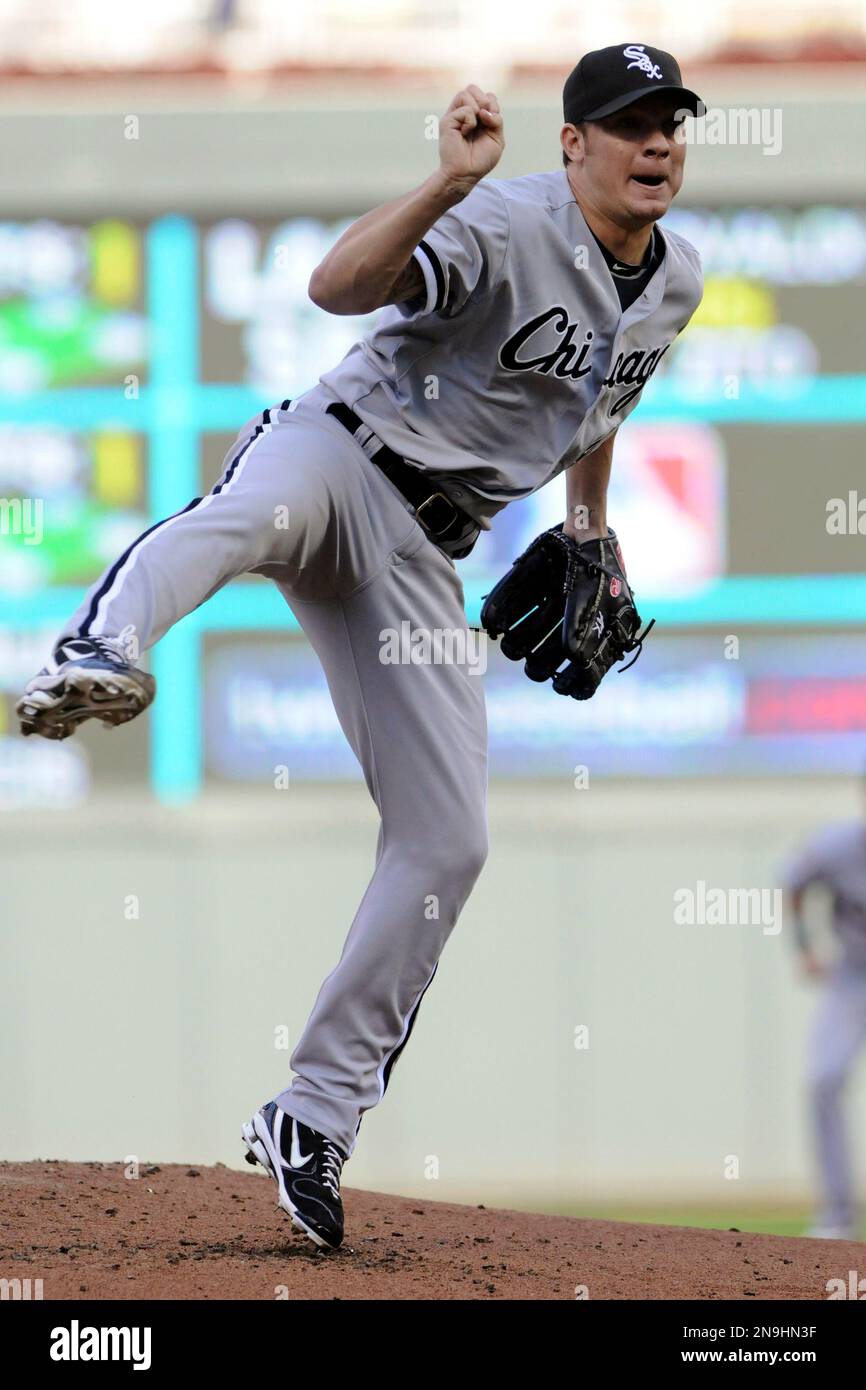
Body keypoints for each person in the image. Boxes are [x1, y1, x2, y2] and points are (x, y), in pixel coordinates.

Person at [16, 44, 705, 1250]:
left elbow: (603, 407)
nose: (655, 143)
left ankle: (312, 1115)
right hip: (338, 454)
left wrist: (590, 531)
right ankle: (99, 647)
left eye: (671, 122)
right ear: (571, 143)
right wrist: (442, 185)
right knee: (240, 519)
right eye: (628, 122)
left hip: (421, 559)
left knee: (449, 838)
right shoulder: (498, 220)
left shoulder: (675, 279)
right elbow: (338, 287)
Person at [786, 810, 866, 1240]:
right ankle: (836, 1215)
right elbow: (793, 884)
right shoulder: (836, 846)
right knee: (823, 1079)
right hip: (853, 978)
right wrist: (803, 946)